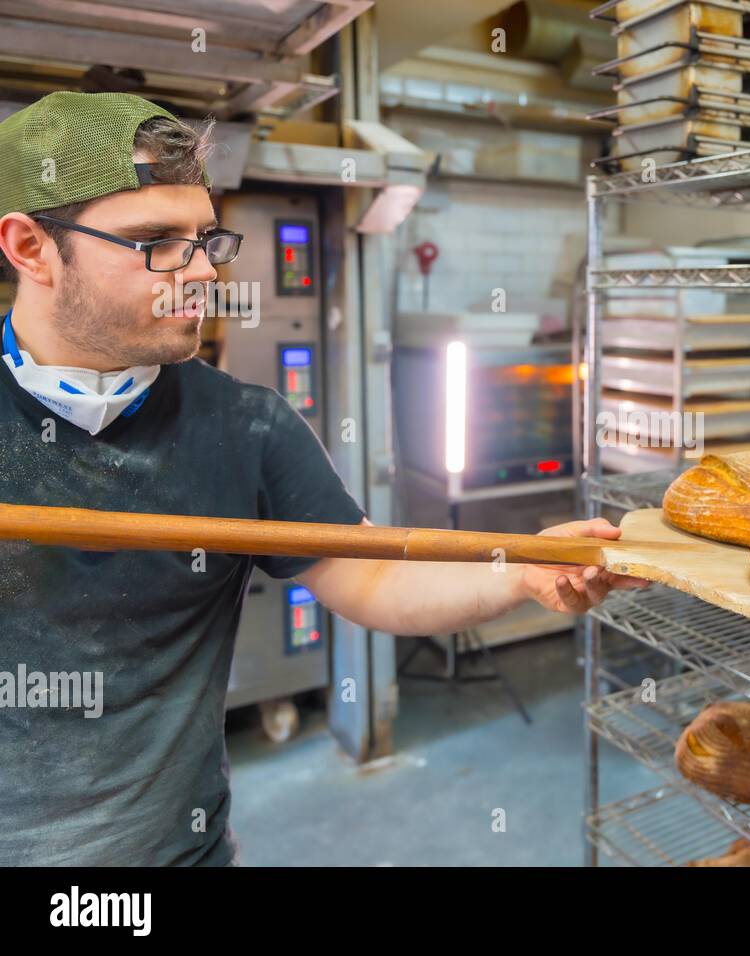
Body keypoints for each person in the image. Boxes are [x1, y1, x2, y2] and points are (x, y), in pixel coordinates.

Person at [0, 91, 644, 866]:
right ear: (30, 247)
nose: (201, 271)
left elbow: (370, 578)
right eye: (155, 243)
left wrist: (521, 568)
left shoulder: (245, 424)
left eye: (205, 239)